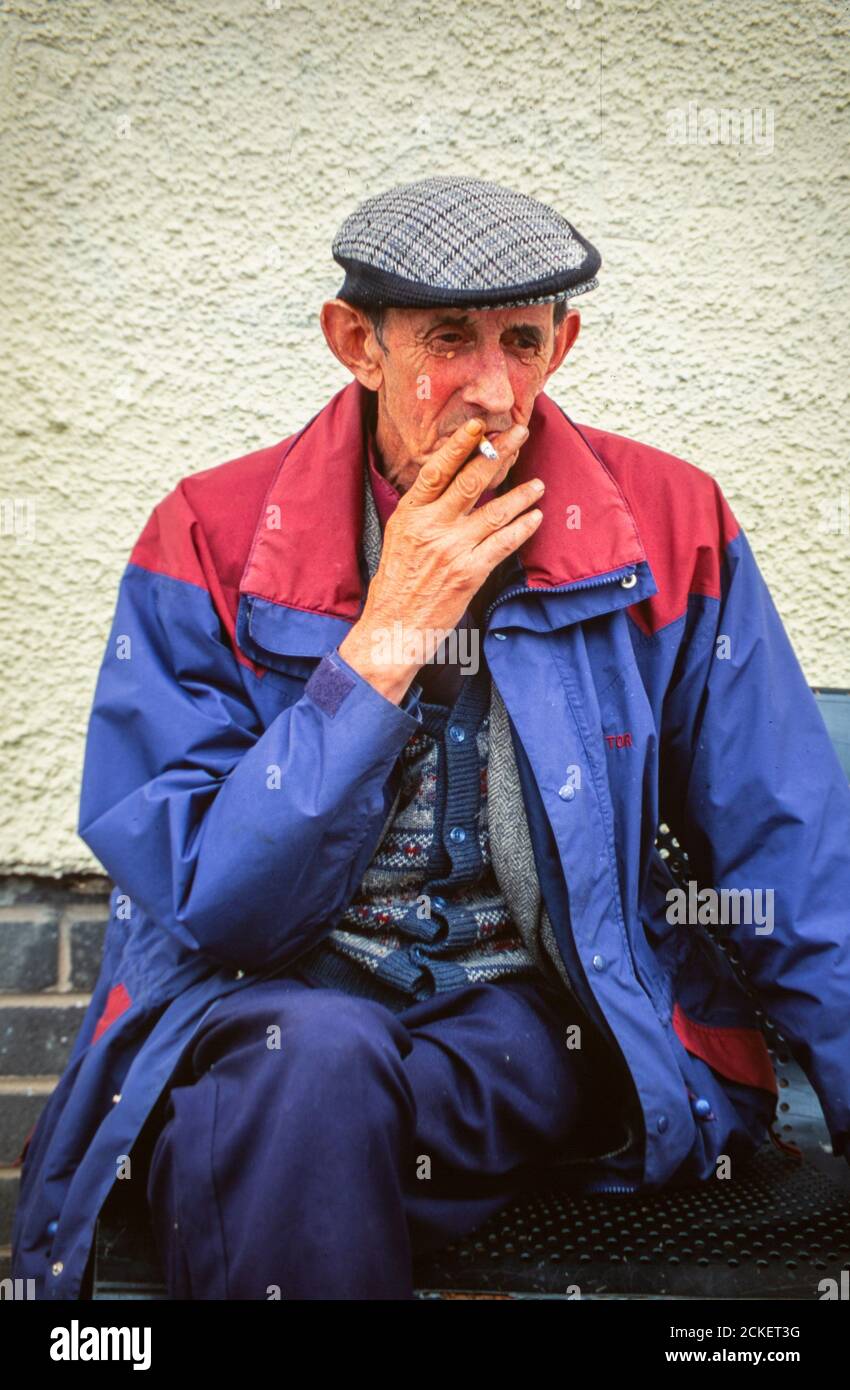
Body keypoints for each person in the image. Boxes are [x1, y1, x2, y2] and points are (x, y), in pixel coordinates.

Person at [12, 176, 850, 1301]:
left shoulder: (667, 521)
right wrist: (387, 636)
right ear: (354, 342)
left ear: (564, 344)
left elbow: (787, 851)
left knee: (307, 1128)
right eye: (448, 340)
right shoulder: (209, 533)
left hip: (518, 1031)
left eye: (522, 339)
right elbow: (217, 900)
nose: (493, 389)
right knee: (304, 1069)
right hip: (266, 1013)